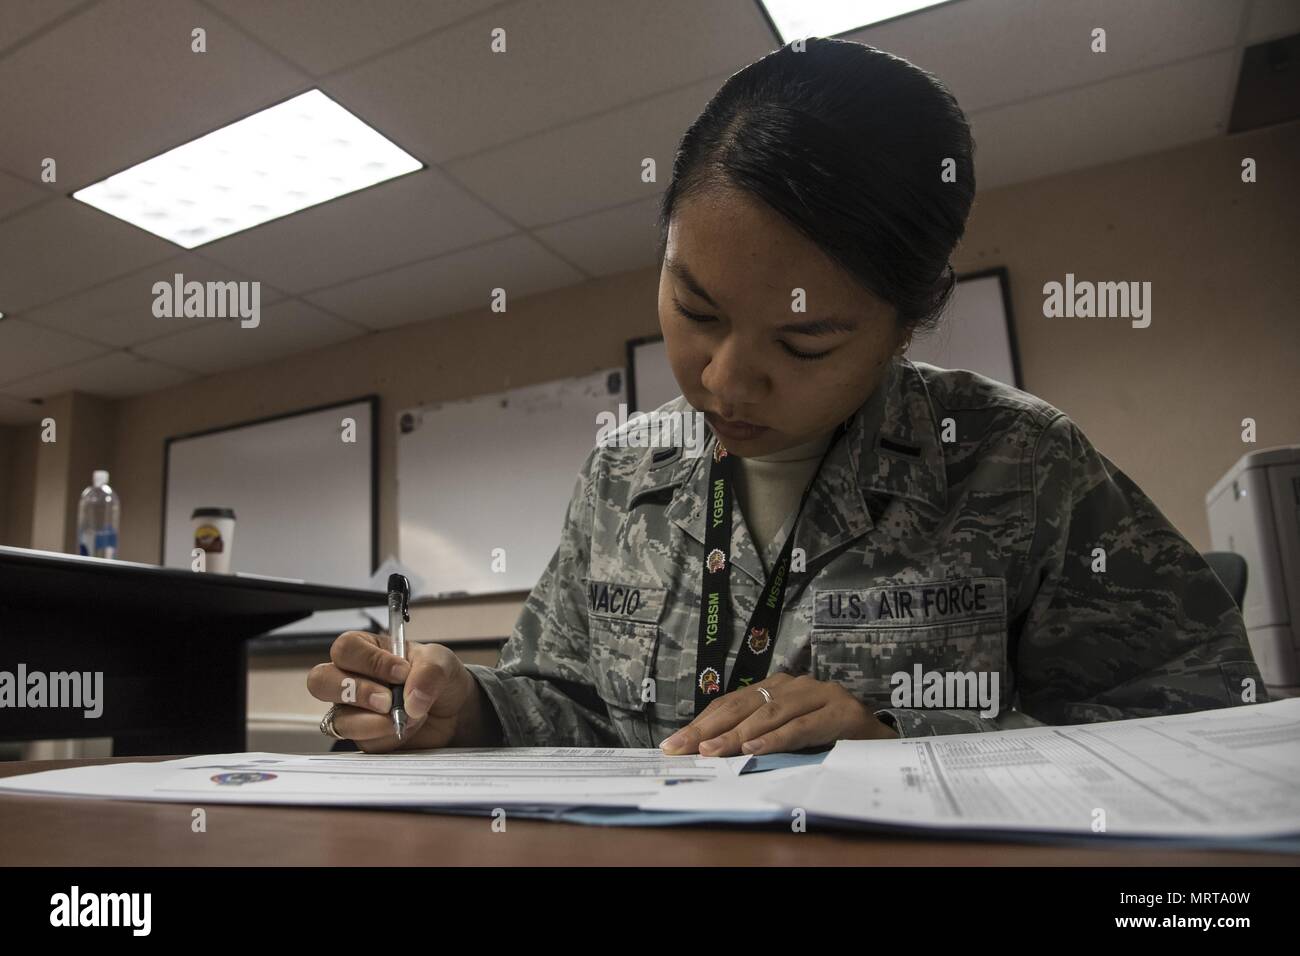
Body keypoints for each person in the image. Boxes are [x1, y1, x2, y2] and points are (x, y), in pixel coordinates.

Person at [308, 38, 1264, 755]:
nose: (724, 381)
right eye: (694, 309)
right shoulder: (623, 473)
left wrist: (900, 750)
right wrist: (463, 705)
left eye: (805, 341)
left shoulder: (1020, 466)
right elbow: (568, 704)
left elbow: (1208, 719)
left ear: (910, 320)